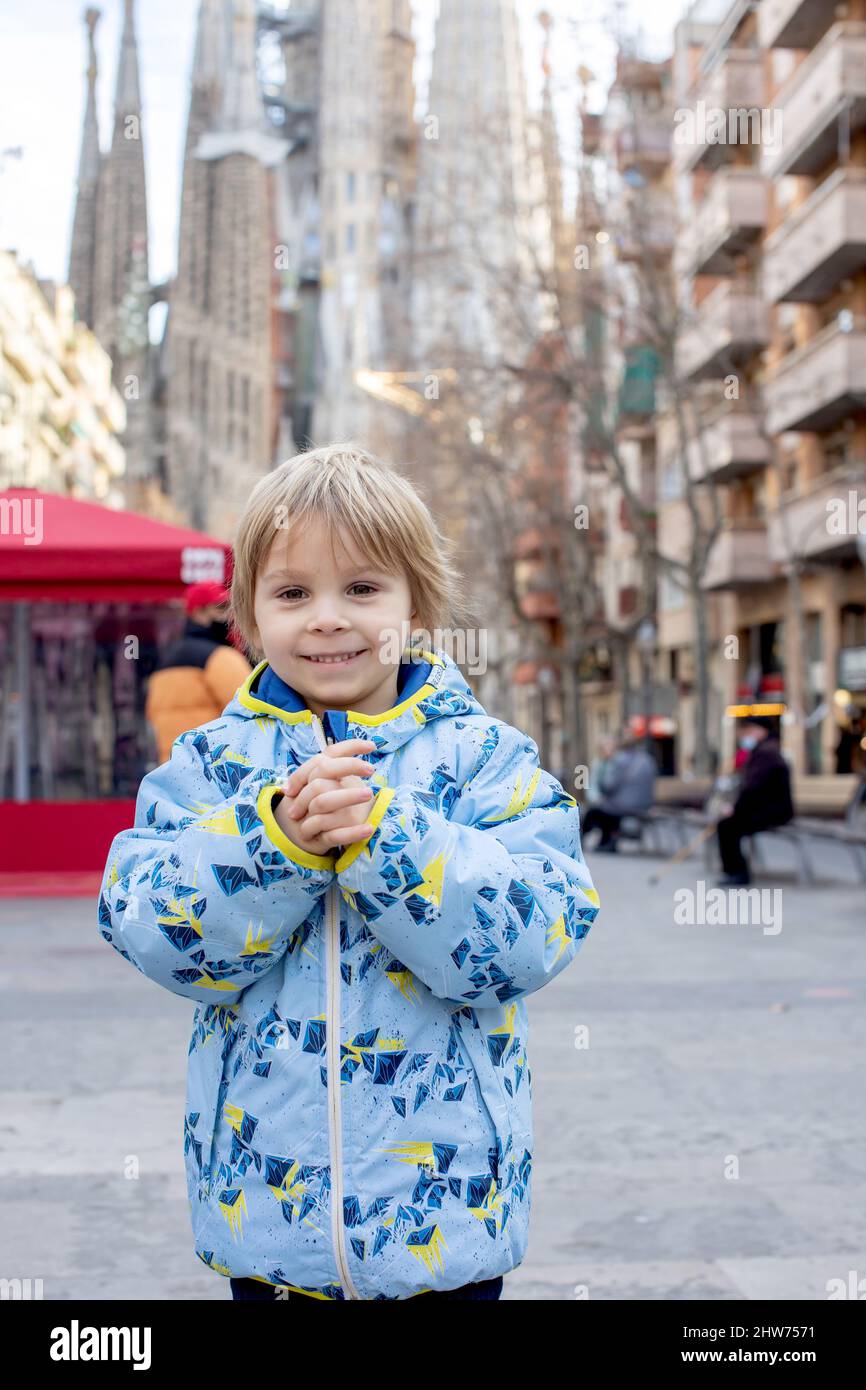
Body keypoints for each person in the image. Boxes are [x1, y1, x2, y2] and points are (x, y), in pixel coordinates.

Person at [97, 442, 601, 1302]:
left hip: (448, 1219)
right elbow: (152, 927)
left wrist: (389, 839)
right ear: (247, 618)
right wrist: (277, 844)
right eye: (293, 593)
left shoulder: (484, 758)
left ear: (418, 606)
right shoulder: (211, 763)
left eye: (362, 589)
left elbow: (535, 935)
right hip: (266, 1218)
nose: (327, 617)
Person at [144, 581, 252, 764]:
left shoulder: (164, 663)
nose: (228, 616)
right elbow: (253, 710)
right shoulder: (221, 657)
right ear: (198, 612)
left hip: (172, 771)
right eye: (221, 608)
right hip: (215, 772)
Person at [715, 716, 793, 886]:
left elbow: (753, 788)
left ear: (761, 731)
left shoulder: (766, 753)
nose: (746, 736)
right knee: (727, 826)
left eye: (750, 731)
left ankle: (737, 872)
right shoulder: (764, 750)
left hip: (772, 811)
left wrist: (736, 808)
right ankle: (734, 870)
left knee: (727, 827)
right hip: (767, 808)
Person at [581, 725, 657, 852]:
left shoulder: (619, 760)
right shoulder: (647, 759)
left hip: (624, 805)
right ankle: (607, 841)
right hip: (644, 805)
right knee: (605, 809)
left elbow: (608, 786)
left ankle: (588, 838)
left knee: (596, 811)